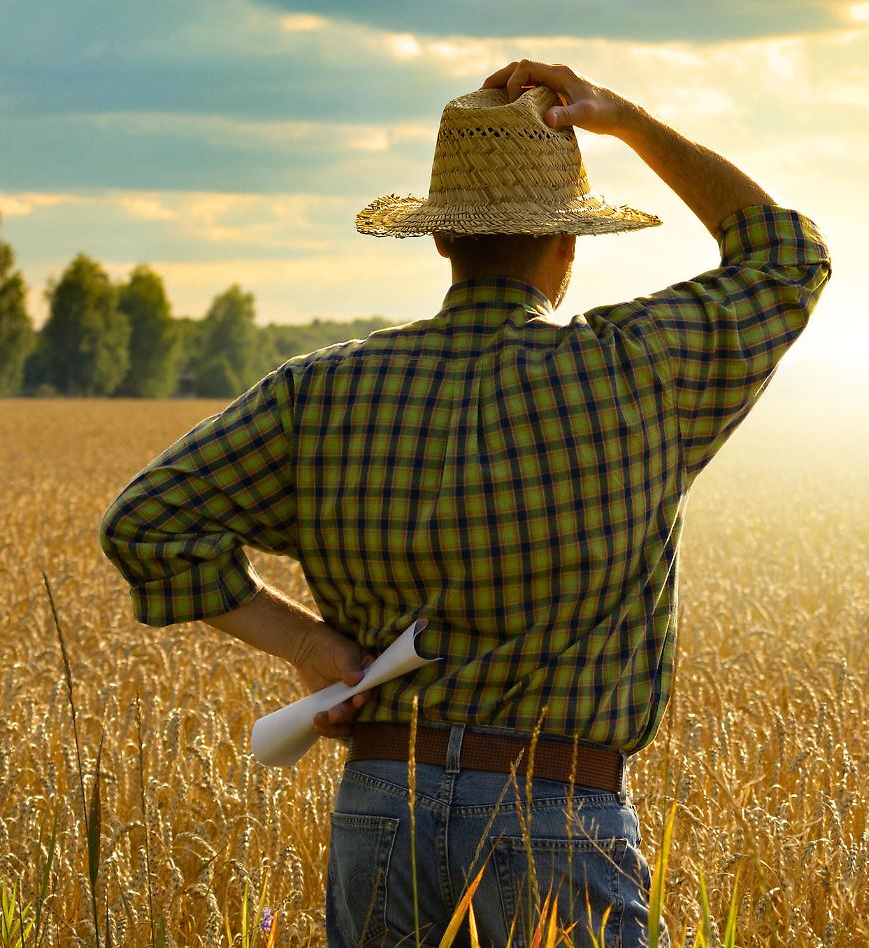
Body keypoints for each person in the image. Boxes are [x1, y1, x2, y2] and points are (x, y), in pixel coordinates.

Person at [98, 59, 830, 947]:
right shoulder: (635, 371)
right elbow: (786, 254)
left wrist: (306, 643)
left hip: (381, 809)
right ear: (569, 247)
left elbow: (146, 522)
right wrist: (630, 122)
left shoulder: (321, 392)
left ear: (442, 241)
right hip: (554, 811)